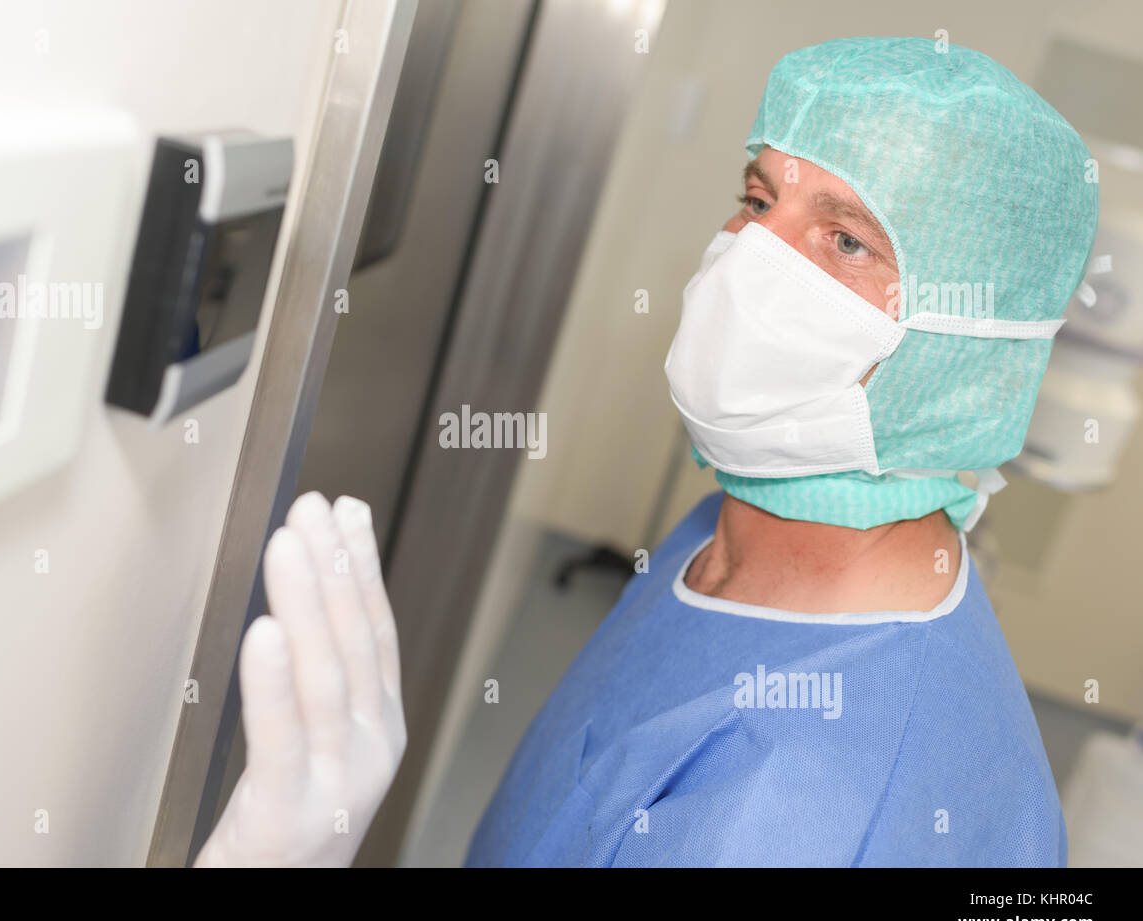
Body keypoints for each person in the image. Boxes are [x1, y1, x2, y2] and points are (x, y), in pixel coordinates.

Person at [198, 36, 1098, 867]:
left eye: (846, 240)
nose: (750, 261)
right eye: (757, 200)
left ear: (968, 344)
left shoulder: (818, 810)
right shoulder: (738, 527)